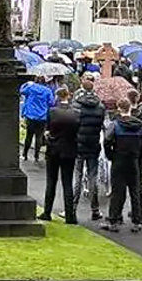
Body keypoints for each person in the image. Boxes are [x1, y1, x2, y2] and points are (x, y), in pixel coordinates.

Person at [101, 97, 142, 233]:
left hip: (119, 159)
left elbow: (107, 141)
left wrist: (111, 155)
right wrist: (139, 156)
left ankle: (114, 220)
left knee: (117, 192)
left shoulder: (115, 125)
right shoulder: (140, 125)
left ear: (119, 108)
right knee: (135, 191)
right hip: (134, 160)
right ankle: (136, 221)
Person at [40, 87, 80, 224]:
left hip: (53, 150)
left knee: (51, 182)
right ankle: (70, 216)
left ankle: (47, 212)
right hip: (69, 150)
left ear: (57, 97)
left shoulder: (52, 112)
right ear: (68, 96)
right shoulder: (76, 113)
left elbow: (48, 129)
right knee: (67, 183)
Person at [72, 73, 106, 220]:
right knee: (93, 177)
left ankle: (72, 208)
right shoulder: (100, 107)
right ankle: (95, 209)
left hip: (78, 143)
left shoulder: (76, 106)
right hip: (93, 143)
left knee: (78, 175)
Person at [19, 75, 55, 162]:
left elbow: (21, 91)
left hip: (31, 115)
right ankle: (36, 156)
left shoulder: (31, 88)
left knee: (29, 135)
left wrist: (26, 84)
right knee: (39, 136)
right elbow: (51, 103)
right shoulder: (47, 90)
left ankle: (25, 154)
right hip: (42, 117)